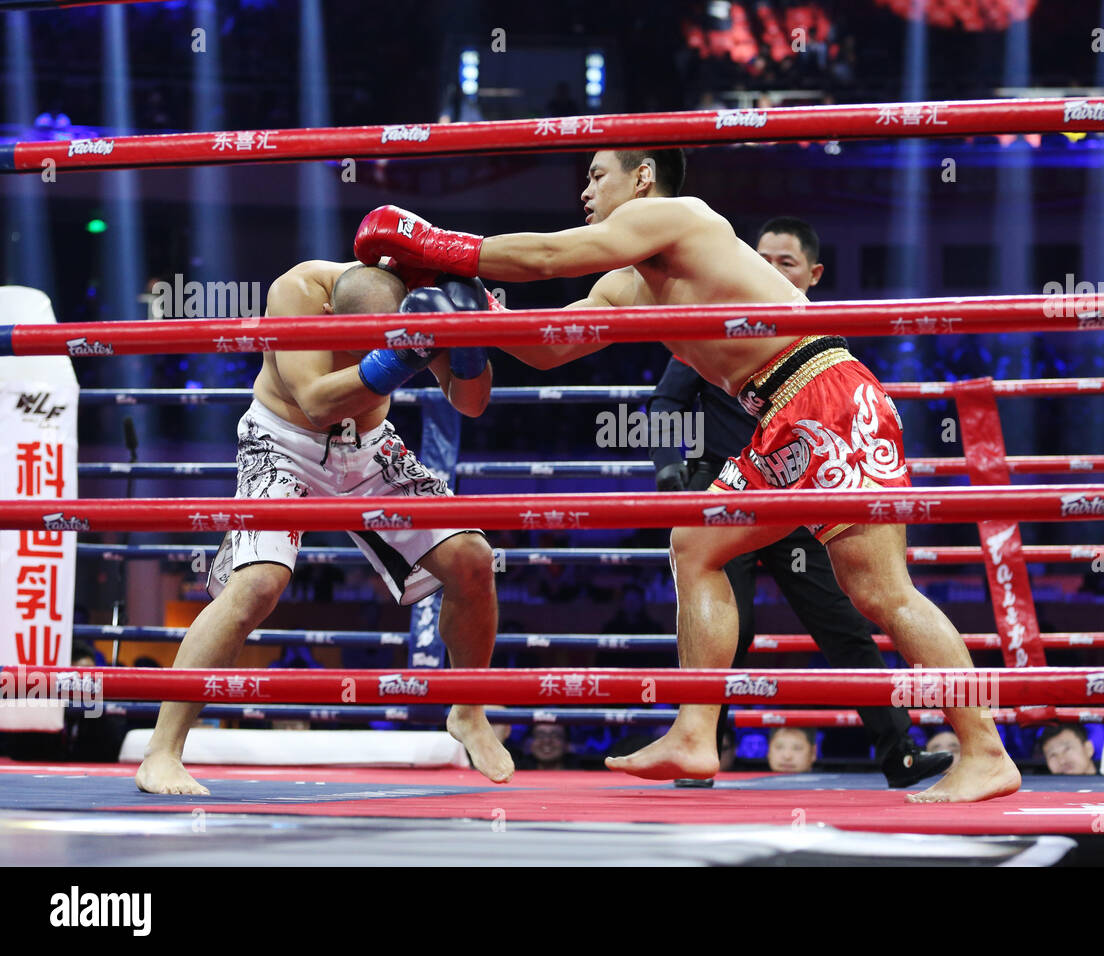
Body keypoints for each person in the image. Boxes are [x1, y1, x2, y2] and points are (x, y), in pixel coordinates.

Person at [353, 148, 1022, 803]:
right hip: (775, 421)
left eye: (596, 175)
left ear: (643, 177)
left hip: (825, 394)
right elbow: (551, 344)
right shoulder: (627, 283)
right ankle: (696, 731)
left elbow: (549, 256)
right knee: (696, 544)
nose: (583, 192)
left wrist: (432, 244)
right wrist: (476, 316)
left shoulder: (680, 215)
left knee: (882, 594)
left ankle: (985, 750)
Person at [134, 261, 513, 795]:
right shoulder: (294, 289)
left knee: (473, 558)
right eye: (360, 346)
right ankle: (162, 753)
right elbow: (313, 401)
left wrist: (469, 348)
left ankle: (469, 712)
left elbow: (470, 405)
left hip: (370, 447)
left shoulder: (421, 298)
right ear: (330, 313)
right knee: (256, 586)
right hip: (283, 445)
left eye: (380, 345)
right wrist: (398, 356)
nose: (367, 357)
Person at [651, 216, 950, 789]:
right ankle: (701, 752)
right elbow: (667, 401)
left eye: (782, 262)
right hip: (726, 493)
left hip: (801, 490)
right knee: (729, 628)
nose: (765, 269)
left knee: (844, 619)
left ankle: (899, 751)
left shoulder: (817, 340)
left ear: (812, 275)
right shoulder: (720, 314)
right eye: (758, 256)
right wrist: (674, 473)